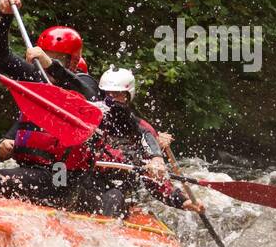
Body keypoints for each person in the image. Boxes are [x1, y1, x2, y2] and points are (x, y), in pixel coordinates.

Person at [0, 0, 102, 205]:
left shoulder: (84, 84)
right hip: (31, 170)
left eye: (58, 59)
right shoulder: (36, 77)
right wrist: (5, 17)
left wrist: (51, 65)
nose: (47, 62)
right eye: (47, 55)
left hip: (61, 177)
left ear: (72, 61)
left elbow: (90, 96)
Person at [75, 67, 205, 218]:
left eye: (117, 94)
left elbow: (155, 182)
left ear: (128, 97)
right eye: (107, 94)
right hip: (80, 183)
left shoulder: (142, 131)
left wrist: (183, 201)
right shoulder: (88, 117)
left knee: (114, 197)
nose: (111, 99)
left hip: (111, 194)